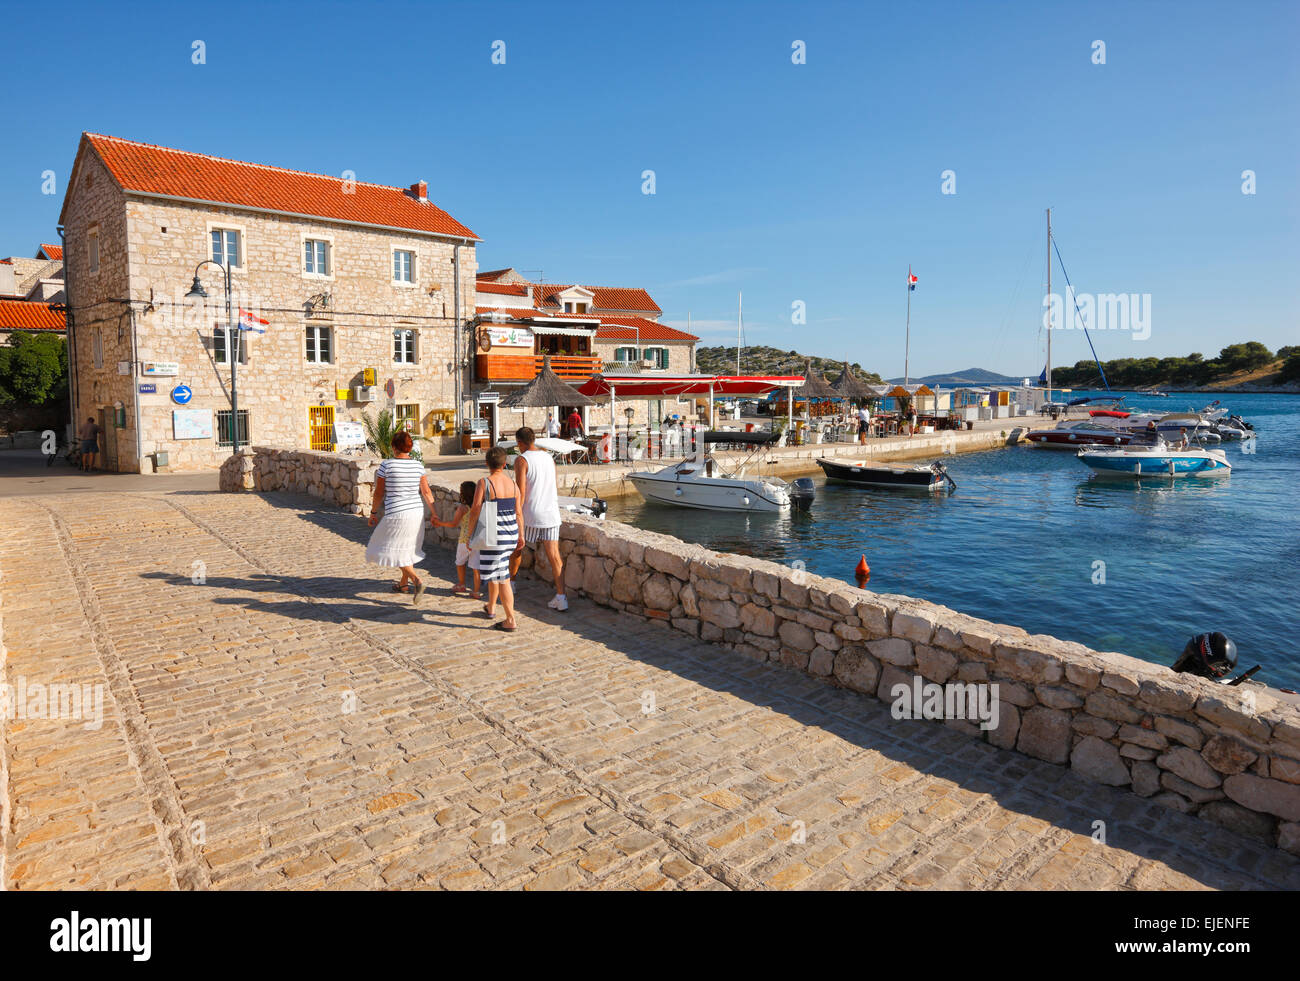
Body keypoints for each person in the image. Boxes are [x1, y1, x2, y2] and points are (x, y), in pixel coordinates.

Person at [365, 430, 434, 603]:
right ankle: (403, 584)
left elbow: (379, 493)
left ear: (394, 447)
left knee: (388, 548)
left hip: (396, 513)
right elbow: (426, 491)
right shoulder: (418, 465)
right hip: (416, 512)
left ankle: (416, 580)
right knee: (406, 549)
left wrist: (373, 513)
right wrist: (434, 513)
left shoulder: (386, 466)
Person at [509, 426, 567, 611]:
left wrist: (515, 514)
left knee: (516, 549)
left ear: (520, 442)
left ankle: (511, 584)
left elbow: (521, 492)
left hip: (530, 513)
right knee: (555, 557)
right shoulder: (549, 457)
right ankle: (561, 596)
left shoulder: (522, 460)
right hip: (550, 512)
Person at [469, 446, 519, 631]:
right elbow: (519, 512)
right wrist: (520, 536)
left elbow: (475, 509)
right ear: (505, 464)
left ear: (487, 464)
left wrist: (470, 535)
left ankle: (511, 619)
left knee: (503, 577)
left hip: (493, 536)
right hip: (511, 534)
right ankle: (491, 607)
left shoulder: (484, 482)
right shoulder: (514, 485)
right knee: (498, 573)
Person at [431, 480, 481, 599]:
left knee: (459, 562)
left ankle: (461, 584)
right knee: (476, 567)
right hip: (478, 540)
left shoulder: (463, 508)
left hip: (464, 539)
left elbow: (454, 524)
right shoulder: (479, 506)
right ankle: (476, 591)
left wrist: (439, 523)